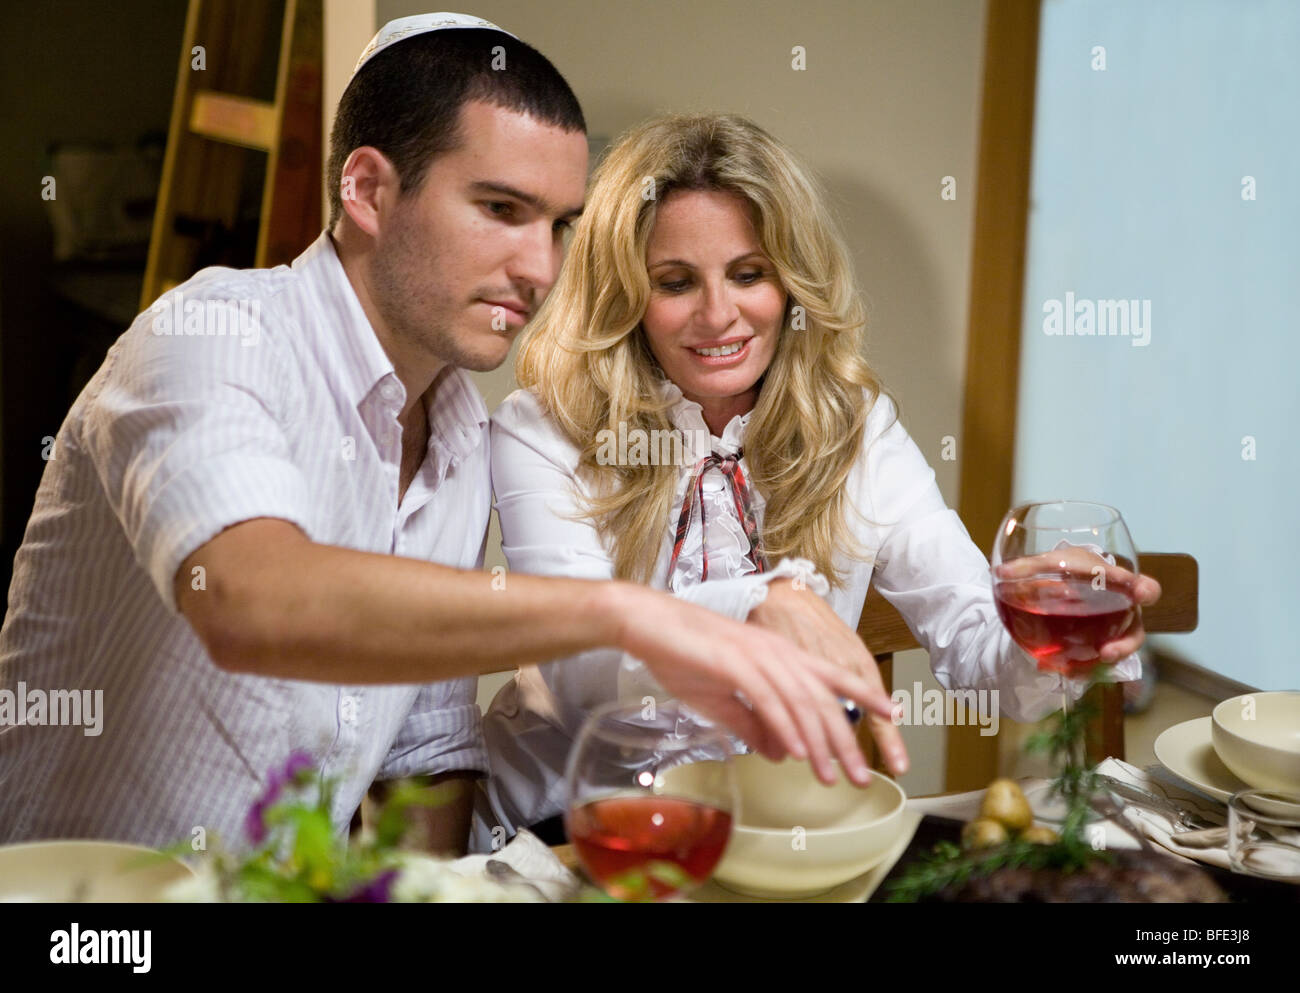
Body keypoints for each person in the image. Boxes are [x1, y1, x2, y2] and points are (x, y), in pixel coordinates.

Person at [0, 16, 891, 856]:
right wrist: (638, 613)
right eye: (501, 210)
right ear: (368, 190)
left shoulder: (461, 425)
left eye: (558, 225)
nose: (541, 268)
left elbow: (424, 751)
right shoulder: (209, 334)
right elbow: (246, 601)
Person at [472, 112, 1160, 850]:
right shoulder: (541, 428)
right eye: (675, 282)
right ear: (627, 295)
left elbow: (973, 642)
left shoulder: (859, 431)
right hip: (567, 838)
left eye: (748, 273)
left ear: (792, 283)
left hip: (769, 840)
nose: (717, 314)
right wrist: (754, 606)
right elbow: (580, 673)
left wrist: (1042, 637)